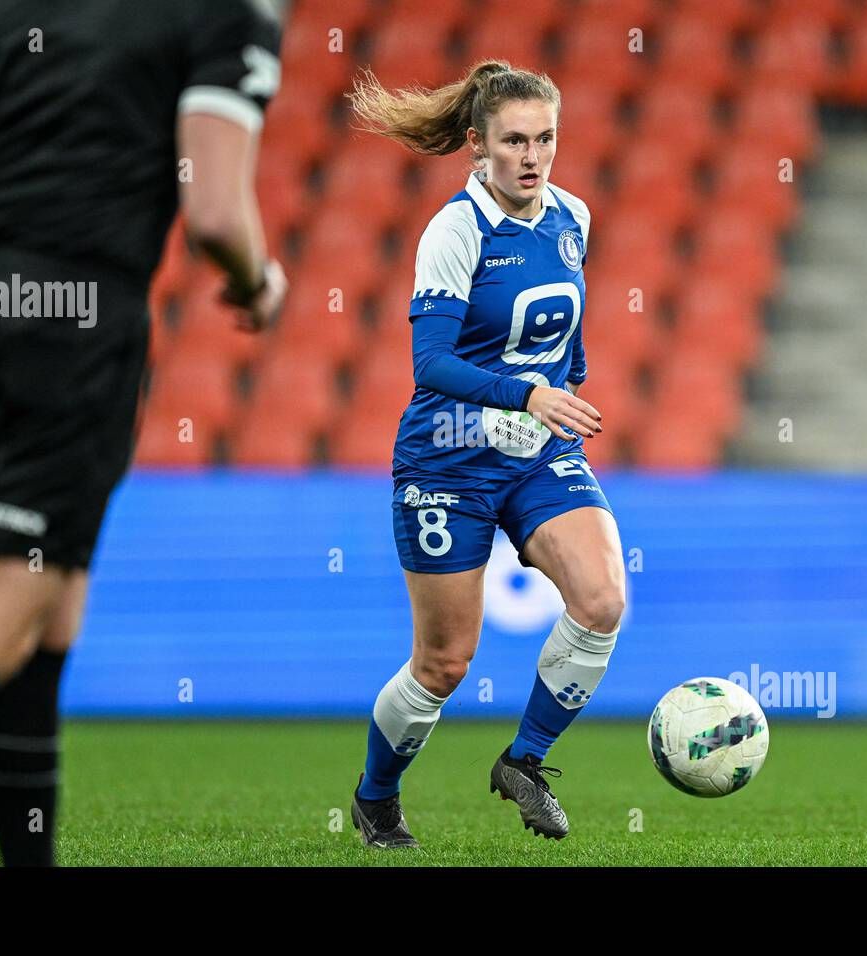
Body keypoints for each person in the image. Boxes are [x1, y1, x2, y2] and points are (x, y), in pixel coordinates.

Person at [0, 0, 287, 866]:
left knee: (42, 620)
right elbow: (217, 214)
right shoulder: (221, 16)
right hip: (72, 335)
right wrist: (259, 281)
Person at [347, 61, 626, 848]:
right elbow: (428, 363)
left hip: (536, 454)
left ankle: (524, 763)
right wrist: (528, 395)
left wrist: (563, 389)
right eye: (514, 141)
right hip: (447, 460)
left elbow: (565, 328)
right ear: (478, 146)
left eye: (545, 139)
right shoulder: (455, 232)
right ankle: (375, 798)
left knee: (602, 601)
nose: (532, 156)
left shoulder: (572, 215)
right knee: (443, 665)